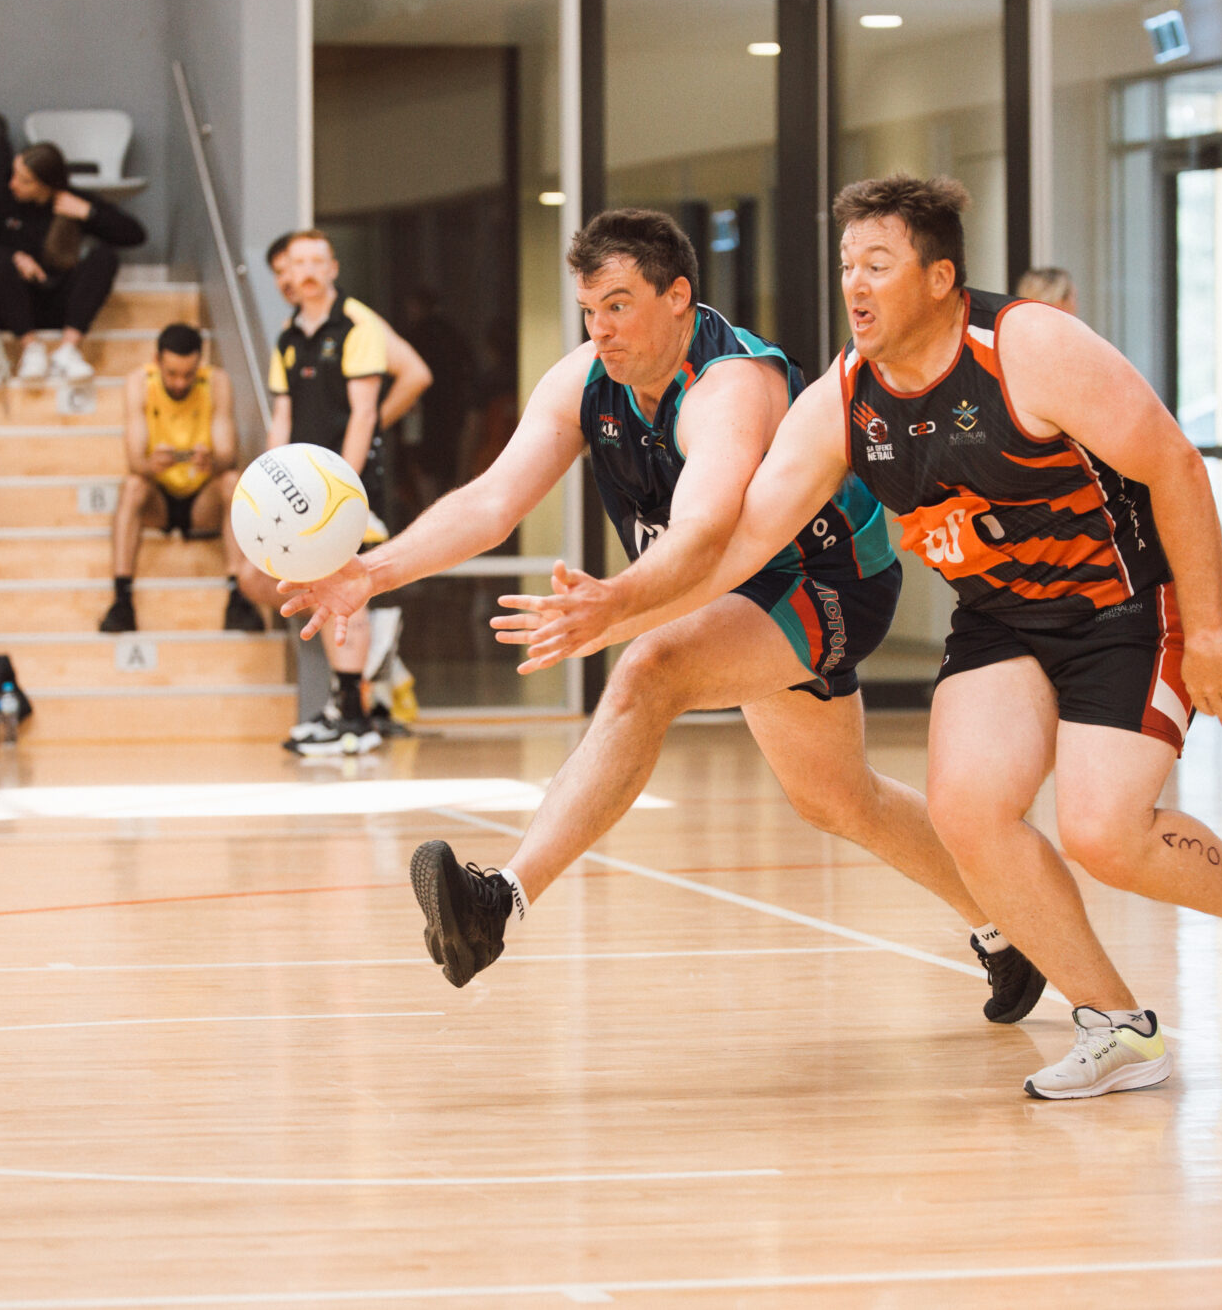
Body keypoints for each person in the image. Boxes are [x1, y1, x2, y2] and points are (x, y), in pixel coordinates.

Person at [499, 179, 1222, 1100]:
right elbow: (741, 542)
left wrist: (1216, 632)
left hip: (1122, 607)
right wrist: (617, 607)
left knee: (1104, 832)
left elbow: (1177, 465)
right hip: (999, 619)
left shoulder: (1028, 347)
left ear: (942, 276)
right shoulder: (842, 397)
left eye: (878, 264)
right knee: (967, 814)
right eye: (846, 267)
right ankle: (1115, 1024)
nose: (855, 287)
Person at [281, 207, 1047, 1023]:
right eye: (588, 308)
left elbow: (707, 535)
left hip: (826, 580)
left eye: (618, 304)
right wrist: (372, 569)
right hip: (728, 591)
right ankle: (1012, 930)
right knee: (837, 797)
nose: (599, 328)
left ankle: (496, 904)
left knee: (652, 669)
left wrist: (616, 606)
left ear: (678, 295)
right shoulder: (586, 380)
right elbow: (494, 500)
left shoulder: (730, 387)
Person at [252, 230, 430, 754]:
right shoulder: (287, 335)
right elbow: (282, 414)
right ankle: (345, 710)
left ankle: (356, 717)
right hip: (298, 489)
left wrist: (341, 489)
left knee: (349, 589)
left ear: (332, 267)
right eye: (296, 262)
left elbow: (364, 413)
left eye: (316, 261)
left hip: (343, 490)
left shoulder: (357, 325)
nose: (305, 271)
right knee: (322, 592)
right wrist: (271, 479)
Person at [100, 323, 256, 633]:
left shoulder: (216, 382)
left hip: (202, 500)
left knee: (233, 482)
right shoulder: (139, 382)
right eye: (172, 373)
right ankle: (121, 599)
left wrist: (210, 462)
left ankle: (239, 597)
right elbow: (134, 461)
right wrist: (151, 464)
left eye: (188, 373)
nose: (181, 382)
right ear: (157, 361)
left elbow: (227, 454)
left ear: (200, 362)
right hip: (158, 497)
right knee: (132, 487)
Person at [0, 141, 145, 383]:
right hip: (15, 305)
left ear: (46, 185)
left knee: (104, 257)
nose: (13, 184)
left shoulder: (71, 199)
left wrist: (89, 213)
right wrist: (13, 258)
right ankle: (31, 349)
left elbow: (135, 235)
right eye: (14, 174)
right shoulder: (1, 199)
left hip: (62, 302)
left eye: (24, 180)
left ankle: (68, 350)